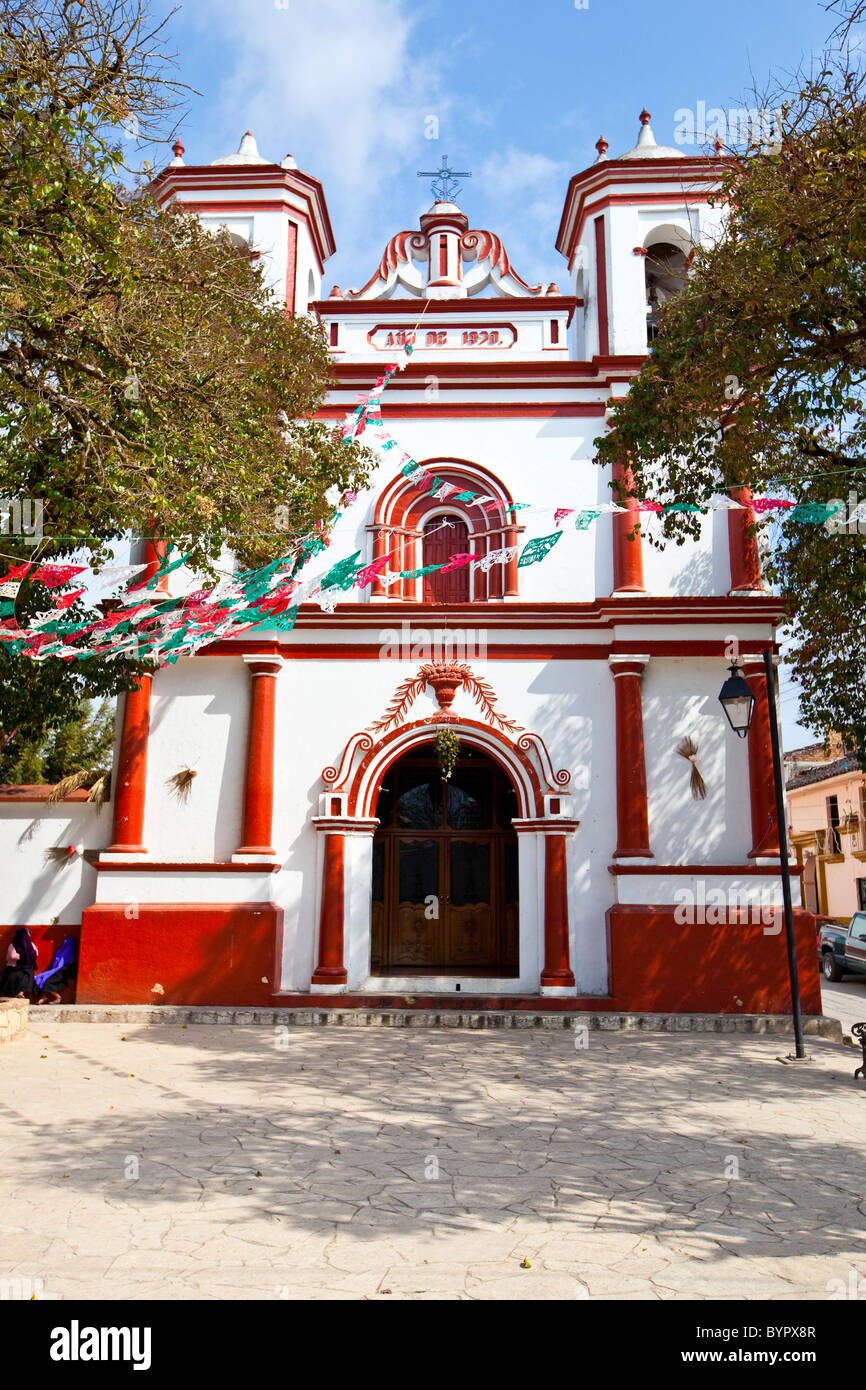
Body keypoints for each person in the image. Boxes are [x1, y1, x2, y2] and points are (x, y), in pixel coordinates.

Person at [35, 936, 77, 1004]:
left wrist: (60, 968)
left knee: (47, 983)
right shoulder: (63, 951)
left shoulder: (69, 952)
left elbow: (67, 964)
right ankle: (44, 996)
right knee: (40, 979)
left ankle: (58, 997)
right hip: (56, 971)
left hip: (61, 974)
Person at [0, 928, 38, 997]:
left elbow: (36, 953)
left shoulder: (31, 944)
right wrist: (27, 956)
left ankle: (20, 993)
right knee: (15, 975)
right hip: (13, 967)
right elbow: (12, 956)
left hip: (26, 968)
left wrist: (24, 956)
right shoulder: (13, 945)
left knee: (28, 975)